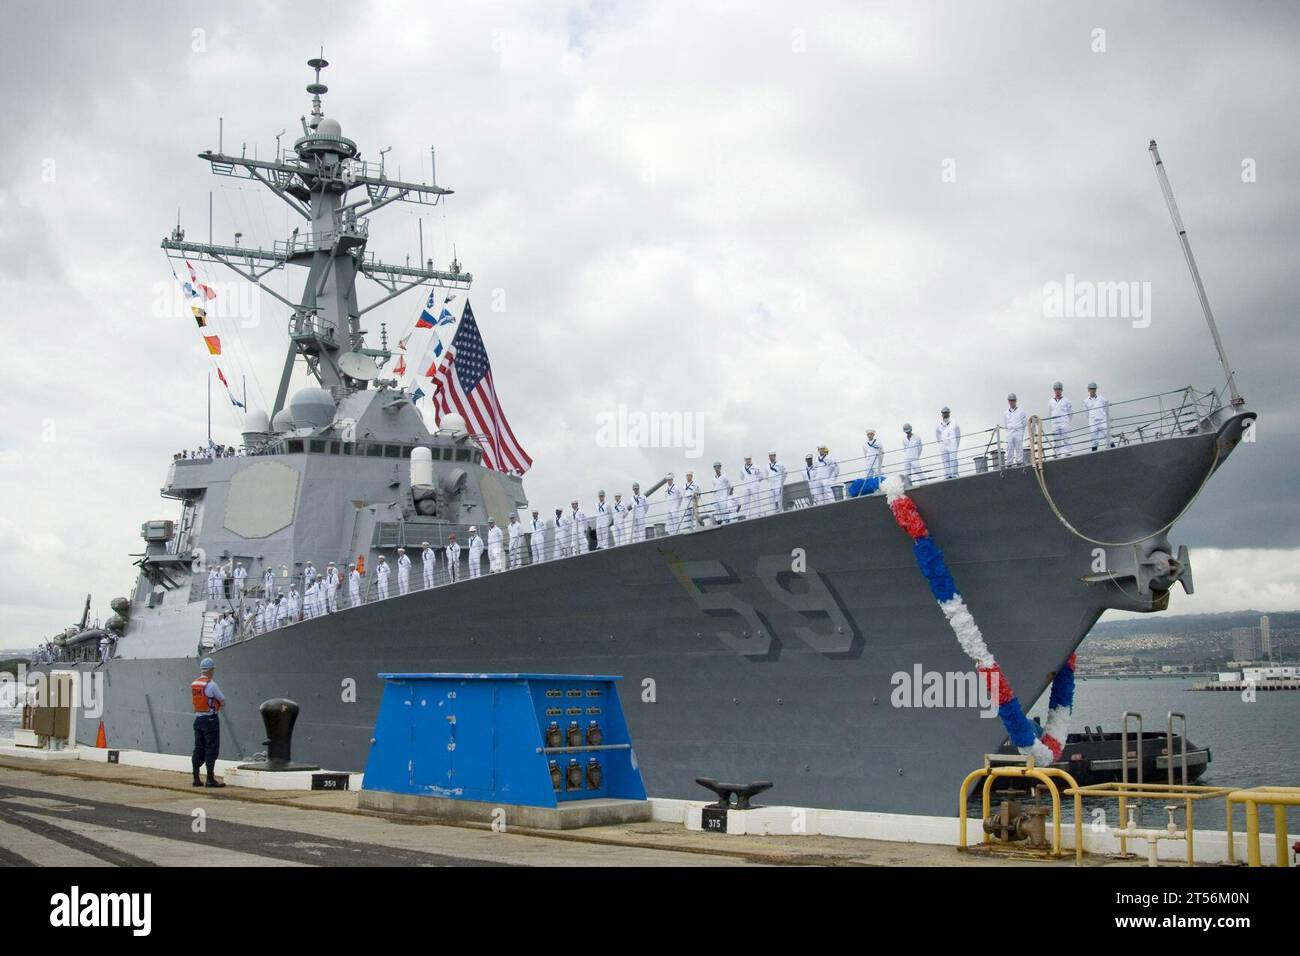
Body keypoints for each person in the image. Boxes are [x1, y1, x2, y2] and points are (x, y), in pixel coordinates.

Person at [190, 658, 227, 788]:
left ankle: (196, 778)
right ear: (211, 670)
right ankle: (210, 779)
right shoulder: (211, 685)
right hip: (210, 720)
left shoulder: (194, 683)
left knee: (198, 748)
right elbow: (222, 700)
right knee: (211, 748)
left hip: (198, 719)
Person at [1047, 382, 1074, 457]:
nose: (1057, 391)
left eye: (1059, 389)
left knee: (1066, 437)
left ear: (1061, 390)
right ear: (1054, 390)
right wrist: (1052, 422)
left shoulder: (1066, 400)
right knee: (1056, 439)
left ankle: (1068, 452)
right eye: (1056, 389)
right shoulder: (1050, 401)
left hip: (1064, 422)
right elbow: (1049, 413)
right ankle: (1057, 453)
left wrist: (1066, 421)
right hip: (1055, 423)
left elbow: (1070, 412)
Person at [935, 407, 961, 480]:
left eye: (946, 412)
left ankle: (954, 474)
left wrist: (956, 444)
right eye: (943, 413)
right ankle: (947, 475)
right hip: (943, 445)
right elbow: (937, 435)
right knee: (945, 460)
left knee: (953, 459)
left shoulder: (954, 423)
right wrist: (940, 443)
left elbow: (958, 434)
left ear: (949, 413)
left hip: (952, 443)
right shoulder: (939, 425)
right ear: (942, 414)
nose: (945, 414)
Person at [1085, 381, 1112, 450]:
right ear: (1088, 390)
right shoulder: (1086, 401)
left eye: (1094, 389)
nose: (1092, 390)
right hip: (1093, 422)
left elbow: (1106, 410)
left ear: (1096, 389)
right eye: (1091, 389)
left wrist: (1106, 418)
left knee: (1108, 436)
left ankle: (1113, 450)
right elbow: (1087, 413)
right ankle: (1094, 455)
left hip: (1102, 420)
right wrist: (1091, 419)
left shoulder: (1101, 398)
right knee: (1094, 440)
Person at [1004, 393, 1027, 465]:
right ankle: (1009, 463)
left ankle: (1019, 462)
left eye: (1013, 400)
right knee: (1009, 447)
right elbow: (1006, 423)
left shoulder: (1021, 411)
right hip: (1010, 432)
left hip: (1018, 431)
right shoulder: (1006, 413)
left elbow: (1024, 422)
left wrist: (1021, 431)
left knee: (1019, 447)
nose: (1012, 402)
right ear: (1008, 401)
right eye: (1010, 400)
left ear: (1015, 401)